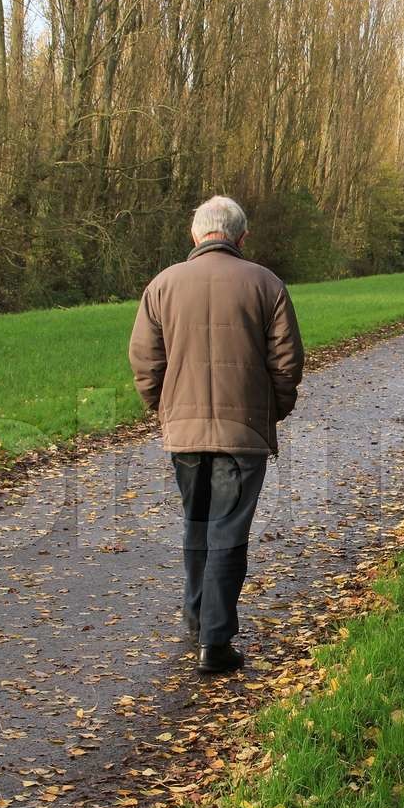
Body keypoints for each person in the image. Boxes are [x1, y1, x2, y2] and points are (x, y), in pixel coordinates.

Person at [129, 196, 305, 673]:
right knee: (228, 530)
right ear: (241, 237)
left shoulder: (162, 286)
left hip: (184, 431)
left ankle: (196, 617)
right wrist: (271, 412)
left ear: (195, 235)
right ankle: (215, 639)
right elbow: (287, 364)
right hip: (242, 431)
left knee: (198, 522)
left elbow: (145, 362)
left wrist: (164, 411)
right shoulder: (267, 284)